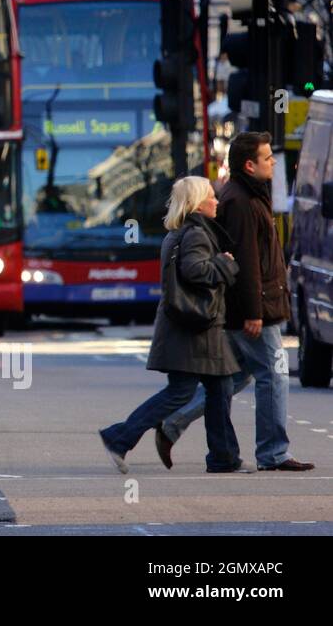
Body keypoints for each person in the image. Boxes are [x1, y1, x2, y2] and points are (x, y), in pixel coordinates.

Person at [155, 133, 314, 472]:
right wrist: (254, 312)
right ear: (249, 164)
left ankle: (173, 424)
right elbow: (246, 260)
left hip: (249, 305)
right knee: (274, 375)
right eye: (267, 157)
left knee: (233, 377)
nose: (273, 162)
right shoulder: (241, 201)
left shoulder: (249, 194)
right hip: (254, 309)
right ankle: (273, 453)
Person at [98, 176, 243, 473]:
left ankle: (224, 457)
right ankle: (119, 437)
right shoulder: (196, 234)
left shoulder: (180, 232)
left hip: (191, 325)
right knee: (181, 392)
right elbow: (195, 271)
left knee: (220, 387)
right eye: (211, 197)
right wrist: (226, 263)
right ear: (196, 203)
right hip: (194, 327)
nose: (216, 201)